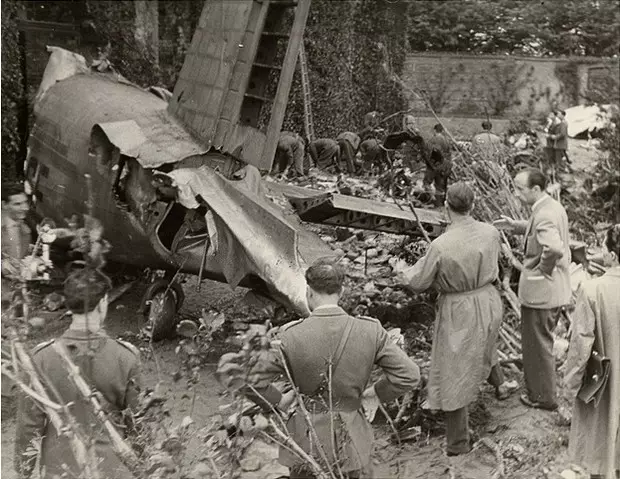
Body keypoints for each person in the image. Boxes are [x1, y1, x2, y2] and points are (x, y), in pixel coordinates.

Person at [217, 258, 420, 478]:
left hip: (307, 437)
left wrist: (278, 401)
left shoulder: (289, 335)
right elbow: (409, 375)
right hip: (353, 439)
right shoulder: (370, 331)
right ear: (341, 292)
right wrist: (375, 394)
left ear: (309, 292)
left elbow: (244, 376)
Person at [394, 182, 517, 456]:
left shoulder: (441, 244)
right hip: (489, 299)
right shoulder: (490, 232)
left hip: (460, 308)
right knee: (485, 342)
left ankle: (458, 443)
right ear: (473, 205)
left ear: (446, 206)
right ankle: (501, 386)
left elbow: (420, 281)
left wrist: (401, 271)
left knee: (454, 370)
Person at [15, 268, 142, 479]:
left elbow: (29, 427)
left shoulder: (41, 359)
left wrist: (23, 472)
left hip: (60, 472)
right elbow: (139, 425)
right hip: (112, 471)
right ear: (102, 303)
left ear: (69, 305)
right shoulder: (125, 357)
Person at [493, 168, 571, 411]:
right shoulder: (550, 207)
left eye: (520, 189)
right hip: (551, 292)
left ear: (536, 189)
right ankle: (542, 392)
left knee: (538, 347)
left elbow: (554, 249)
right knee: (540, 344)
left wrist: (541, 270)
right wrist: (516, 226)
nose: (516, 194)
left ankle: (543, 398)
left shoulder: (545, 214)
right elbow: (540, 229)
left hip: (542, 293)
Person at [563, 224, 620, 479]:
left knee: (601, 451)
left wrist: (572, 385)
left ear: (612, 255)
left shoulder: (593, 289)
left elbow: (580, 345)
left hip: (608, 386)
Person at [1, 182, 33, 278]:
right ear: (4, 205)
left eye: (25, 202)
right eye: (17, 204)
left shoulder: (25, 227)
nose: (25, 208)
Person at [423, 124, 452, 206]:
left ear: (435, 130)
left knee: (426, 183)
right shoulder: (446, 140)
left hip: (432, 166)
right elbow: (448, 154)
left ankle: (428, 200)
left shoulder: (432, 139)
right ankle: (438, 205)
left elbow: (427, 152)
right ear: (442, 130)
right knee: (439, 187)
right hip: (442, 166)